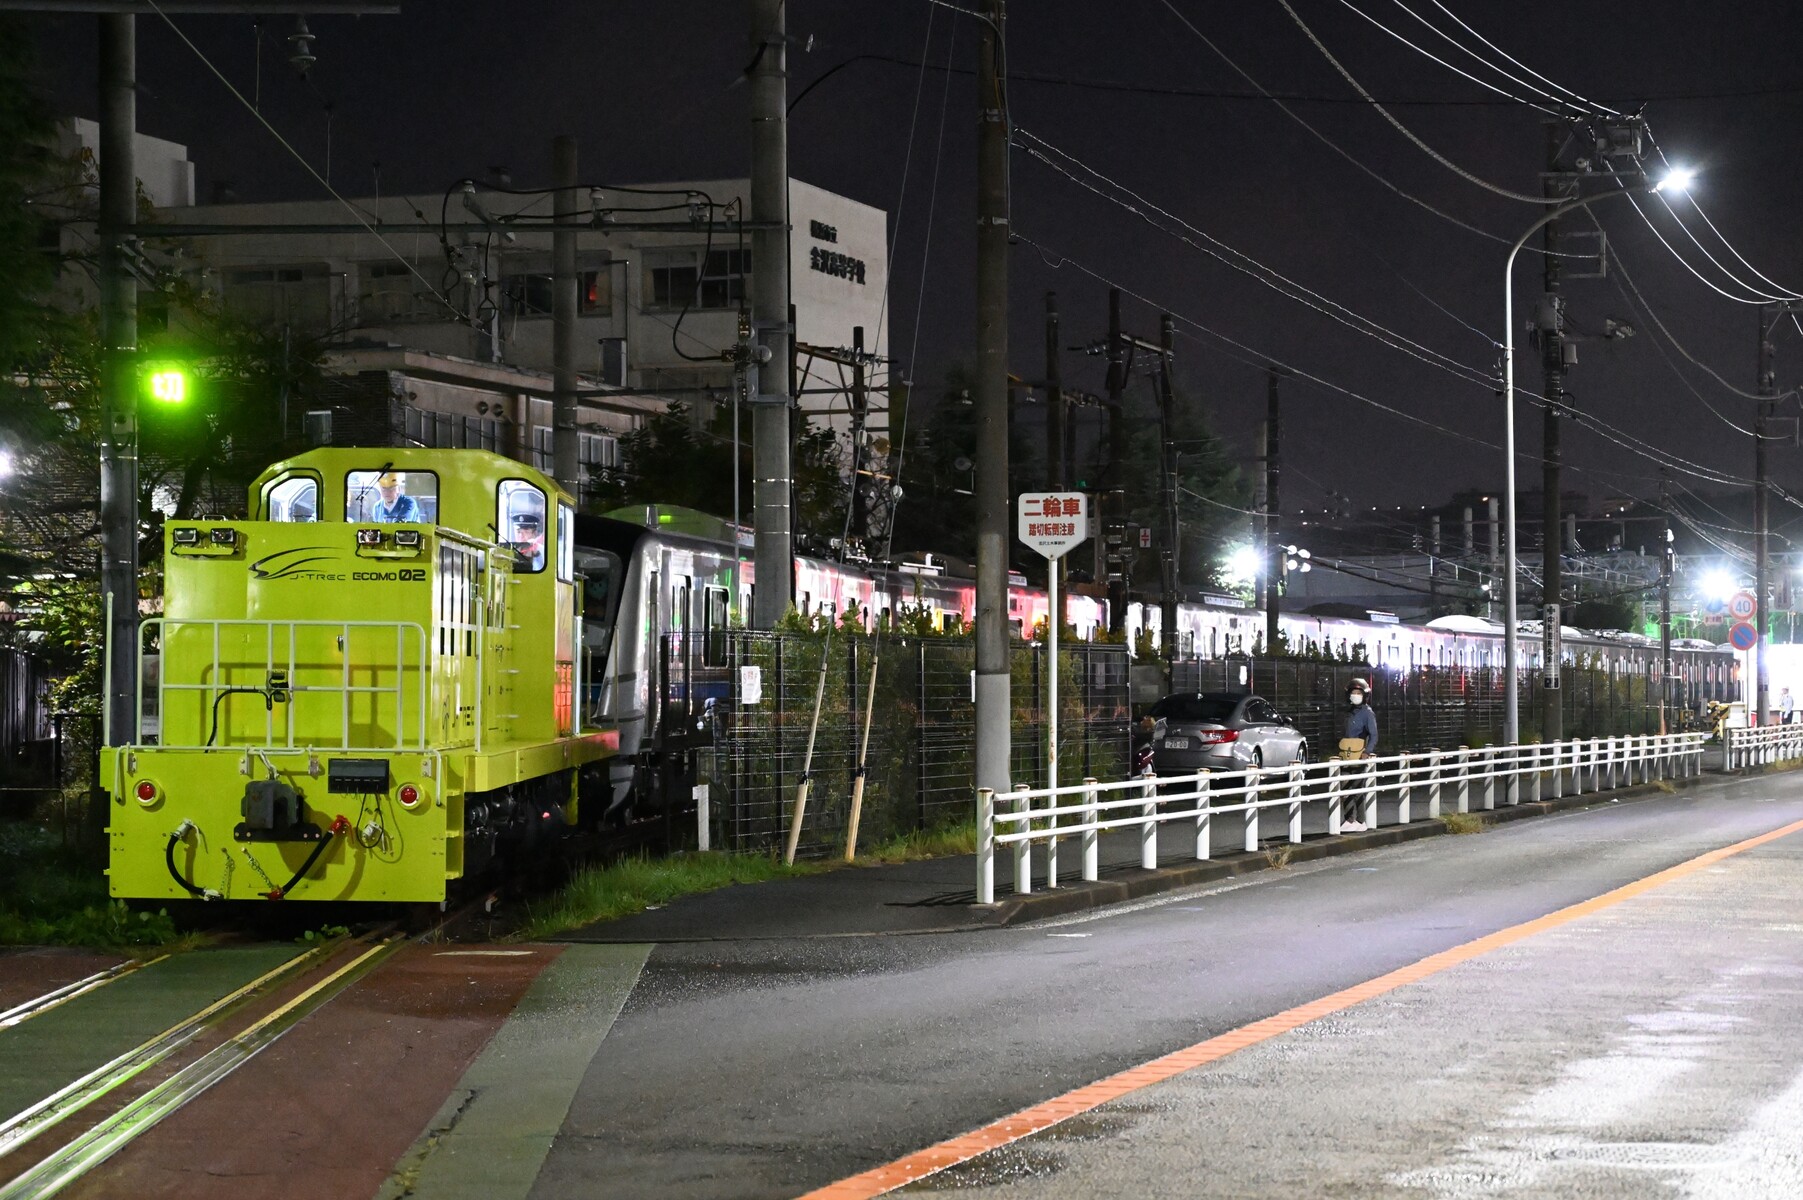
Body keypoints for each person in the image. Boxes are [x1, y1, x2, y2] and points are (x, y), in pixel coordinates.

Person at [1340, 677, 1379, 832]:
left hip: (1359, 753)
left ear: (1365, 695)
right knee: (1345, 788)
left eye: (1358, 692)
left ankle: (1361, 820)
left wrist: (1367, 751)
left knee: (1357, 789)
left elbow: (1374, 735)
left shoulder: (1368, 713)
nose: (1355, 695)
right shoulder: (1348, 713)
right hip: (1346, 754)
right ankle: (1349, 819)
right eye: (1353, 692)